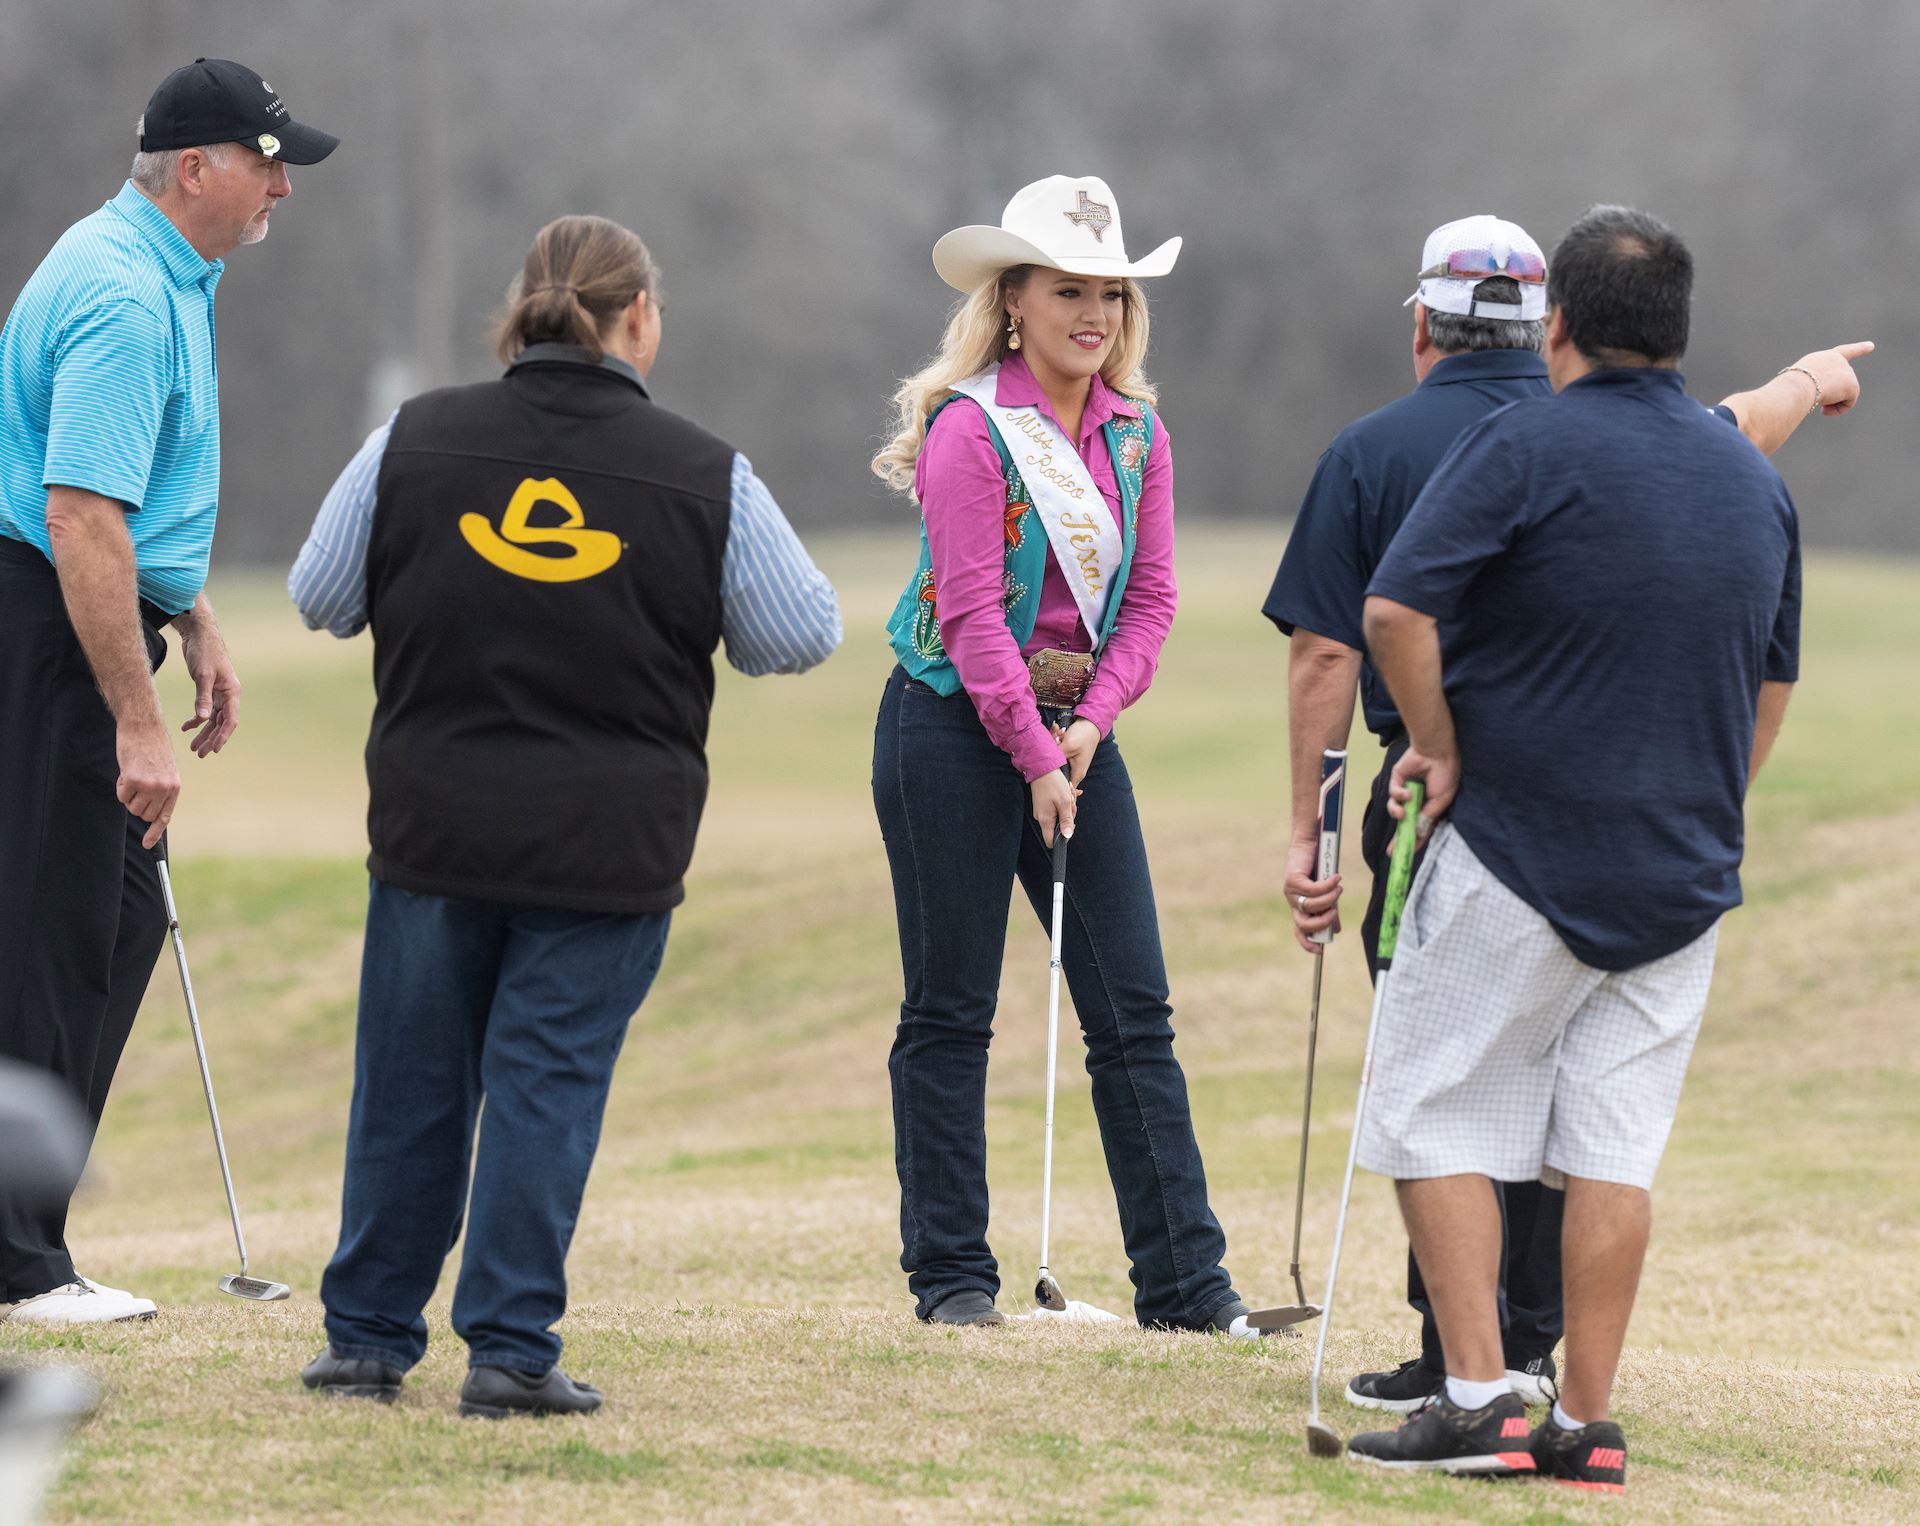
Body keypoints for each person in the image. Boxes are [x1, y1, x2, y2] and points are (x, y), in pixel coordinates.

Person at [1263, 214, 1872, 1416]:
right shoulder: (1750, 480)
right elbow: (1773, 680)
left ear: (1560, 327)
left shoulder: (1521, 444)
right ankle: (1586, 1419)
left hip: (1512, 846)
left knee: (1431, 1112)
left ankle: (1479, 1395)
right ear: (1678, 331)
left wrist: (1433, 747)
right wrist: (1710, 803)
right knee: (1610, 1149)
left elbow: (1389, 615)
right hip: (1681, 874)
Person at [290, 215, 841, 1416]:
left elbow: (319, 595)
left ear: (522, 310)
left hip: (434, 830)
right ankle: (507, 1348)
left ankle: (369, 1339)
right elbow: (798, 632)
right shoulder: (705, 472)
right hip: (609, 844)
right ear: (639, 316)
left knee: (410, 1079)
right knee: (547, 1080)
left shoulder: (412, 440)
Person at [870, 175, 1264, 1336]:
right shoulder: (968, 430)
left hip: (1078, 736)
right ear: (1013, 302)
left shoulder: (1140, 437)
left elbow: (1148, 600)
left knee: (1133, 1009)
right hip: (951, 725)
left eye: (1111, 291)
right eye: (1068, 289)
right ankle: (953, 1280)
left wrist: (1089, 727)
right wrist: (1036, 752)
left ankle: (1188, 1289)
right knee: (951, 1009)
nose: (1094, 312)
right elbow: (973, 618)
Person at [0, 59, 337, 1327]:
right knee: (51, 932)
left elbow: (117, 489)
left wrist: (190, 612)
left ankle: (30, 1231)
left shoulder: (157, 272)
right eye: (265, 159)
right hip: (50, 625)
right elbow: (78, 511)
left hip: (85, 612)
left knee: (116, 921)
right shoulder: (125, 294)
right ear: (195, 168)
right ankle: (17, 1259)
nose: (282, 185)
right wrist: (136, 717)